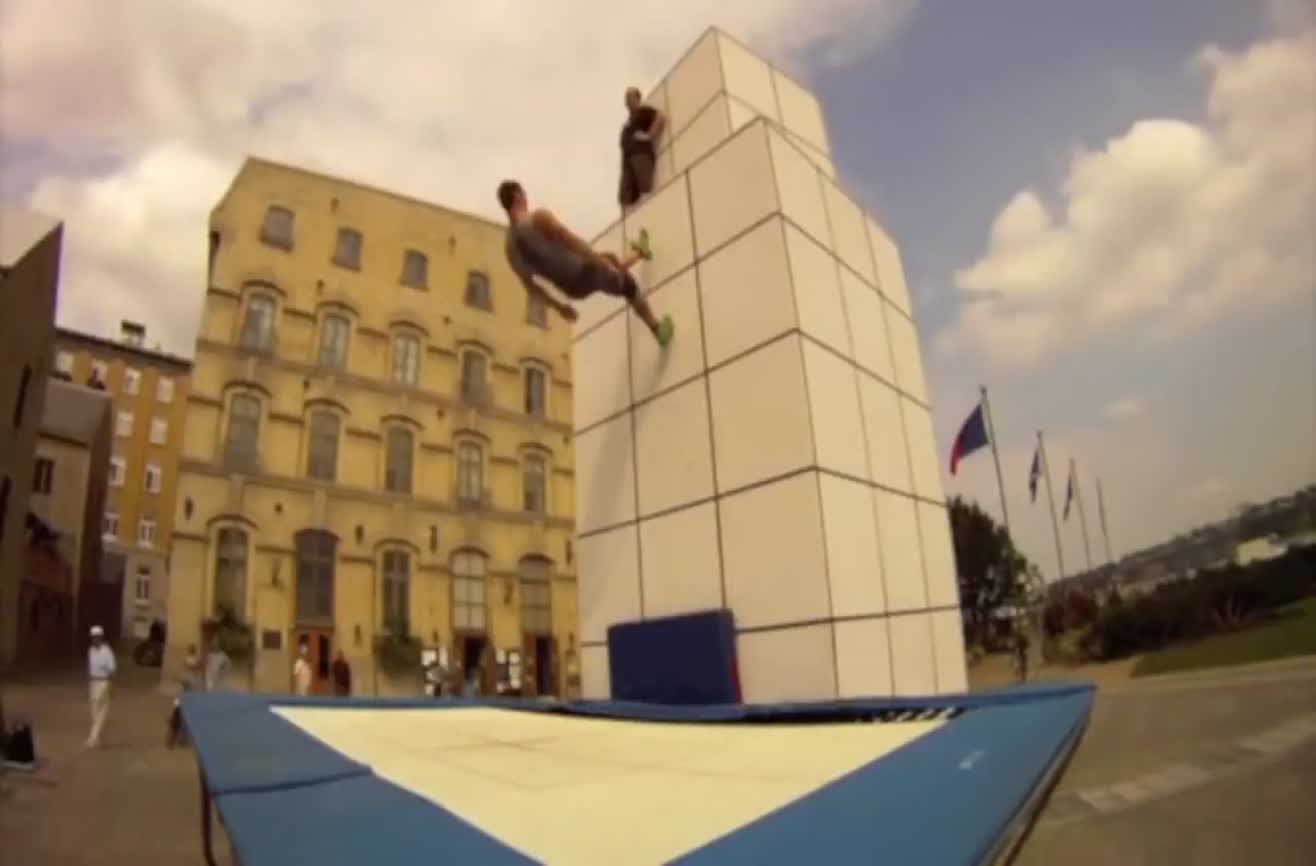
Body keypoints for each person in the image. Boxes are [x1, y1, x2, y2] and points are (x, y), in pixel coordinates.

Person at [496, 179, 674, 346]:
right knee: (628, 286)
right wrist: (599, 263)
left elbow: (531, 288)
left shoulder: (510, 248)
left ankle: (640, 252)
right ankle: (657, 330)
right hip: (585, 271)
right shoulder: (538, 218)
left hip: (572, 290)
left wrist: (560, 308)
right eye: (524, 194)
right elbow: (569, 239)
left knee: (611, 259)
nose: (527, 198)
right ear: (518, 195)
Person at [618, 86, 666, 211]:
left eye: (629, 96)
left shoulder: (643, 111)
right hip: (627, 161)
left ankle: (651, 212)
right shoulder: (628, 120)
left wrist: (649, 135)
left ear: (637, 98)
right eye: (626, 97)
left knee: (645, 188)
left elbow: (661, 117)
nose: (627, 100)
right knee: (625, 196)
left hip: (640, 155)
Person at [85, 625, 115, 749]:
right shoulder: (91, 650)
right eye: (93, 637)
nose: (95, 640)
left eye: (97, 637)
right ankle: (97, 738)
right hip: (93, 683)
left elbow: (112, 669)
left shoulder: (107, 651)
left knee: (101, 711)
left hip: (104, 683)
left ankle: (92, 738)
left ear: (101, 637)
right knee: (94, 711)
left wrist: (110, 685)